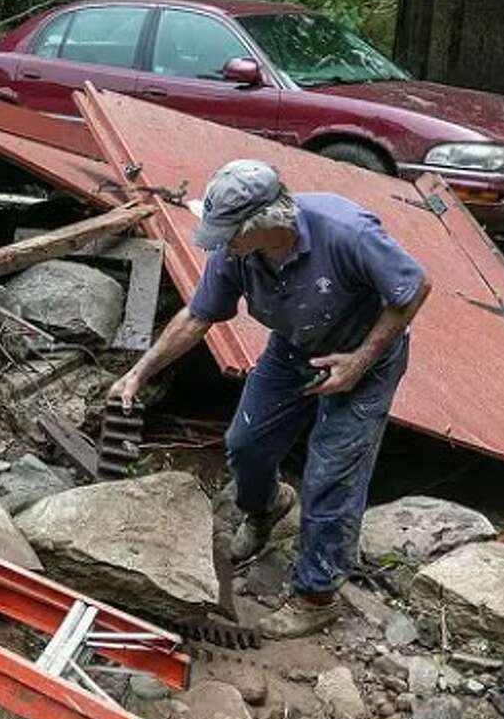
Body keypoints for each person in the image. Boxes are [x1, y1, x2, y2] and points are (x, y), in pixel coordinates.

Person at [108, 159, 430, 639]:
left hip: (362, 356)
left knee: (330, 475)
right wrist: (137, 374)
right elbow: (197, 318)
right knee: (246, 443)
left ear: (262, 224)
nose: (218, 244)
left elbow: (414, 287)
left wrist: (359, 361)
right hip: (294, 345)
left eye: (227, 233)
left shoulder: (344, 232)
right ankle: (267, 507)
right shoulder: (237, 253)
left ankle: (316, 597)